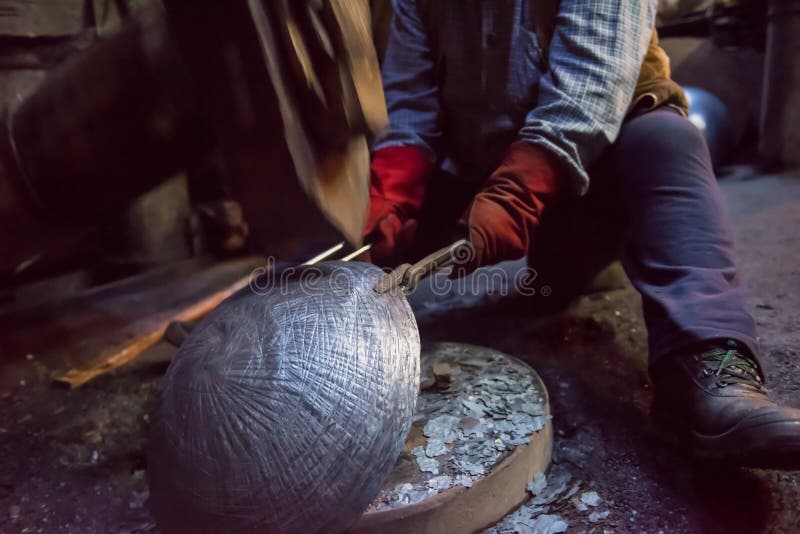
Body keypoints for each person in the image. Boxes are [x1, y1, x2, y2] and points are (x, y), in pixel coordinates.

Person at [365, 0, 800, 469]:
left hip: (590, 169)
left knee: (665, 141)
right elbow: (410, 102)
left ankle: (707, 367)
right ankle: (337, 326)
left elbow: (591, 78)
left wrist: (518, 191)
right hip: (483, 173)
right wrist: (395, 192)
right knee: (371, 233)